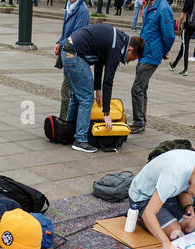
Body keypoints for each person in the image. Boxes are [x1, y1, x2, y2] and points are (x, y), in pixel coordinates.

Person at [61, 23, 142, 152]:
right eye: (131, 59)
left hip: (68, 51)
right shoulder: (117, 48)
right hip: (74, 55)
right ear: (130, 49)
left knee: (77, 96)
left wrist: (98, 90)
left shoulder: (119, 39)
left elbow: (99, 62)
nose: (127, 62)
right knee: (86, 99)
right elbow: (108, 81)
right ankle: (80, 140)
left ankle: (68, 131)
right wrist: (106, 113)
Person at [131, 0, 175, 133]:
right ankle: (141, 121)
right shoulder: (151, 5)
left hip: (151, 54)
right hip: (145, 52)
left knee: (137, 88)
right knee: (142, 88)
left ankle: (138, 123)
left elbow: (169, 35)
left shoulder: (162, 8)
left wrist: (164, 51)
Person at [58, 0, 92, 121]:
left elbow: (77, 35)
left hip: (75, 56)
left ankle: (64, 120)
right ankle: (68, 120)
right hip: (67, 53)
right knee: (69, 90)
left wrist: (61, 43)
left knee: (67, 89)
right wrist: (59, 42)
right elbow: (65, 32)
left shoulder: (82, 10)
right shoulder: (69, 6)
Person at [168, 0, 195, 75]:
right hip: (194, 26)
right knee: (183, 46)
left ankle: (185, 69)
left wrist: (179, 26)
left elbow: (182, 16)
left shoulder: (188, 1)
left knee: (185, 47)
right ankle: (174, 65)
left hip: (187, 27)